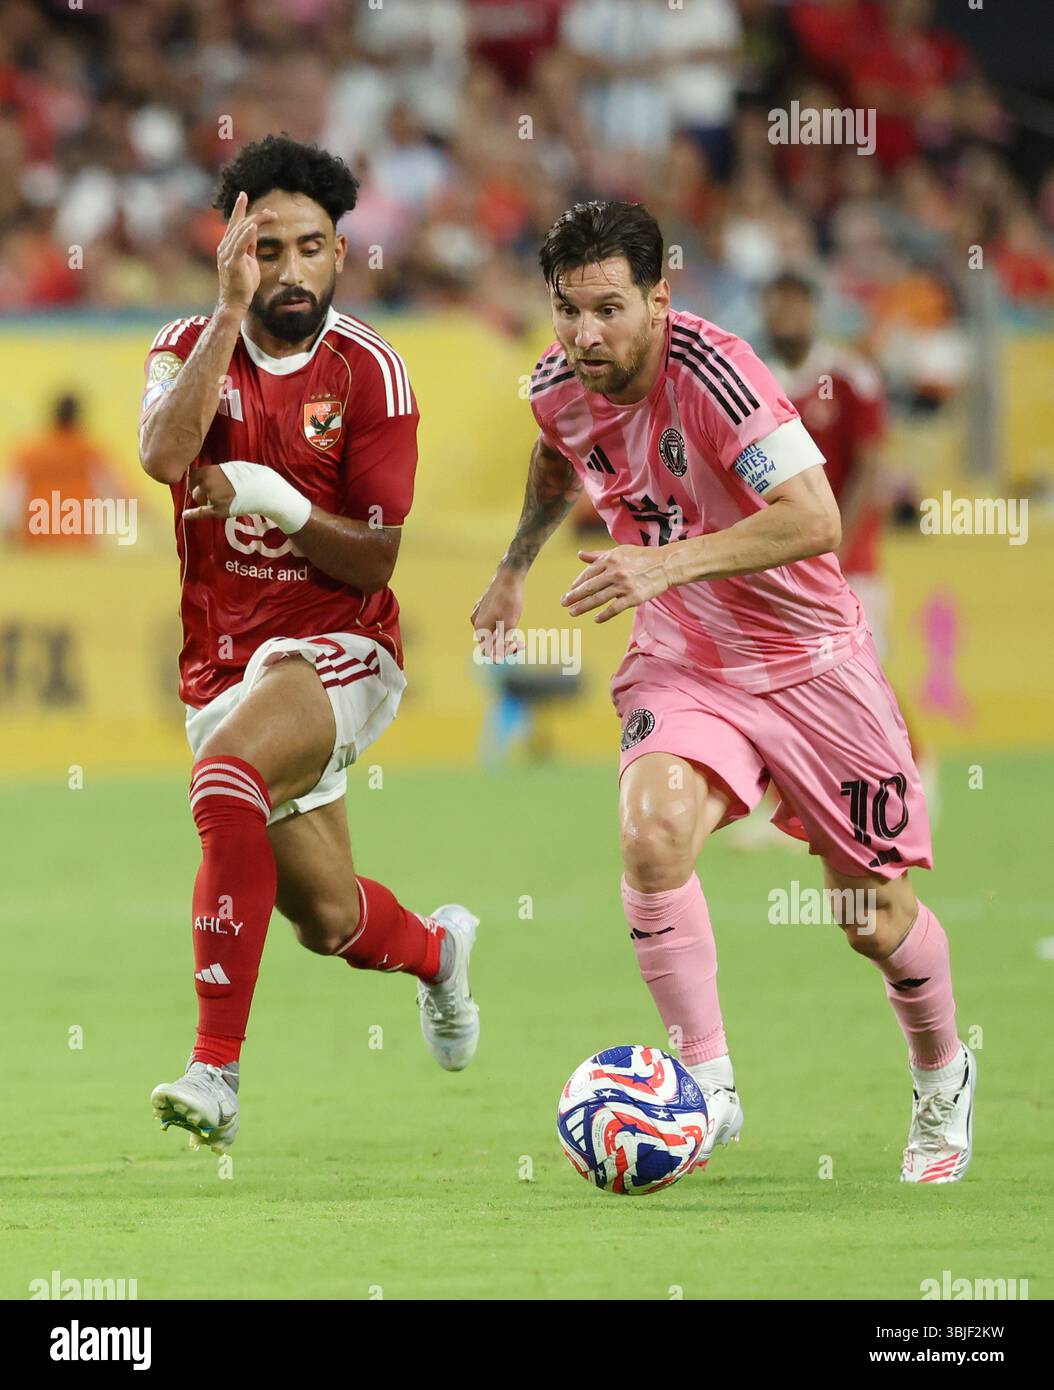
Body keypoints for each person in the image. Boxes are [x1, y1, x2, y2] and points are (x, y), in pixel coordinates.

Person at [472, 200, 973, 1183]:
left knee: (867, 914)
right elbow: (552, 455)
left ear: (660, 297)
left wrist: (663, 564)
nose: (584, 335)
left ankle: (941, 1070)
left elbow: (816, 517)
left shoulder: (719, 374)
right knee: (651, 830)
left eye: (608, 308)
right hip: (687, 657)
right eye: (567, 310)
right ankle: (709, 1087)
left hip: (810, 660)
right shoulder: (559, 385)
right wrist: (513, 566)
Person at [140, 135, 480, 1155]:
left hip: (340, 647)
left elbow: (374, 561)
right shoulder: (184, 344)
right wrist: (227, 316)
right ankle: (437, 953)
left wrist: (270, 495)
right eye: (268, 249)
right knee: (328, 920)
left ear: (343, 251)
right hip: (224, 664)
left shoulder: (371, 372)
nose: (291, 271)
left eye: (312, 249)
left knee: (223, 779)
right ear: (234, 249)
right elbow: (161, 452)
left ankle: (217, 1073)